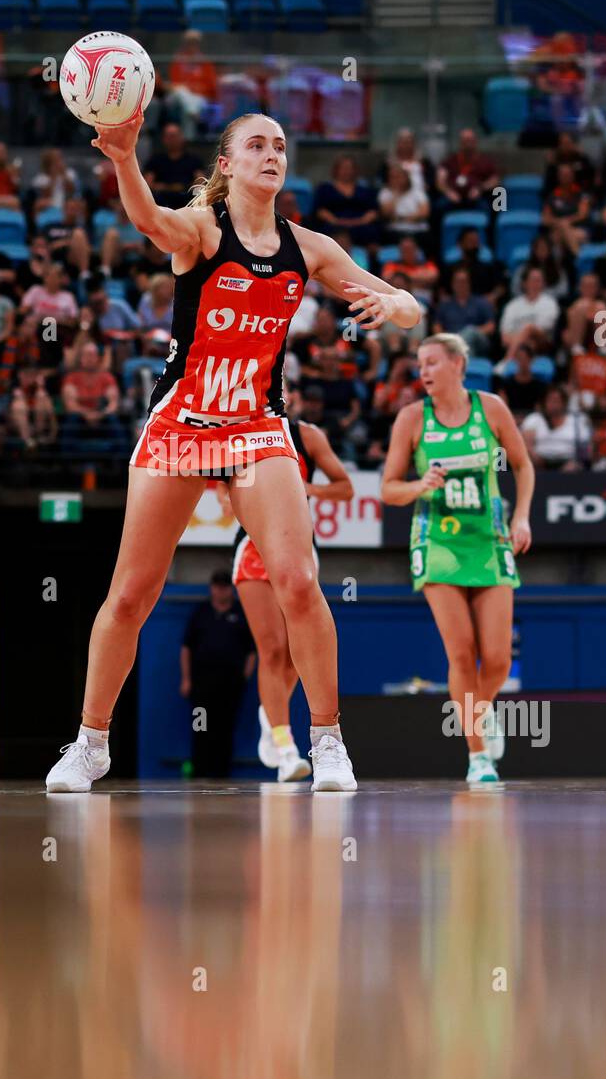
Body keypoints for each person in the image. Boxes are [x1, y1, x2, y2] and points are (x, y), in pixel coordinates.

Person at [44, 109, 420, 794]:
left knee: (299, 581)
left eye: (279, 144)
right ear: (228, 164)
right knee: (130, 594)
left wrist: (396, 308)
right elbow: (150, 222)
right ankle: (90, 742)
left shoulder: (309, 247)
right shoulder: (202, 231)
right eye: (256, 144)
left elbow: (404, 303)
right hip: (181, 420)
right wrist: (125, 158)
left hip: (255, 422)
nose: (271, 153)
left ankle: (328, 739)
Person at [381, 333, 534, 784]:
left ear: (457, 364)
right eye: (419, 364)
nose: (423, 371)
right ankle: (477, 756)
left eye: (431, 362)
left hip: (489, 538)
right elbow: (388, 489)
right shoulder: (412, 418)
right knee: (462, 653)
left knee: (500, 659)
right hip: (438, 543)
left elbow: (522, 465)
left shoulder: (491, 409)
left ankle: (480, 714)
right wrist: (419, 485)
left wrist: (521, 518)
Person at [230, 395, 354, 782]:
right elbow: (219, 491)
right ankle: (285, 748)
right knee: (271, 648)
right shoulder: (230, 432)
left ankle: (272, 711)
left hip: (298, 544)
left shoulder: (307, 436)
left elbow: (346, 487)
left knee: (294, 654)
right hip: (251, 545)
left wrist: (306, 490)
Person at [180, 569, 255, 779]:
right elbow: (186, 648)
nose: (221, 591)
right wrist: (186, 679)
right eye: (217, 586)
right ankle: (199, 771)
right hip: (202, 684)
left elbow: (252, 650)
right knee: (201, 727)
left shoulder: (241, 614)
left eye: (225, 586)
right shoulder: (201, 613)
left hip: (230, 684)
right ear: (212, 588)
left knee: (225, 728)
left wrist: (244, 677)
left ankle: (221, 773)